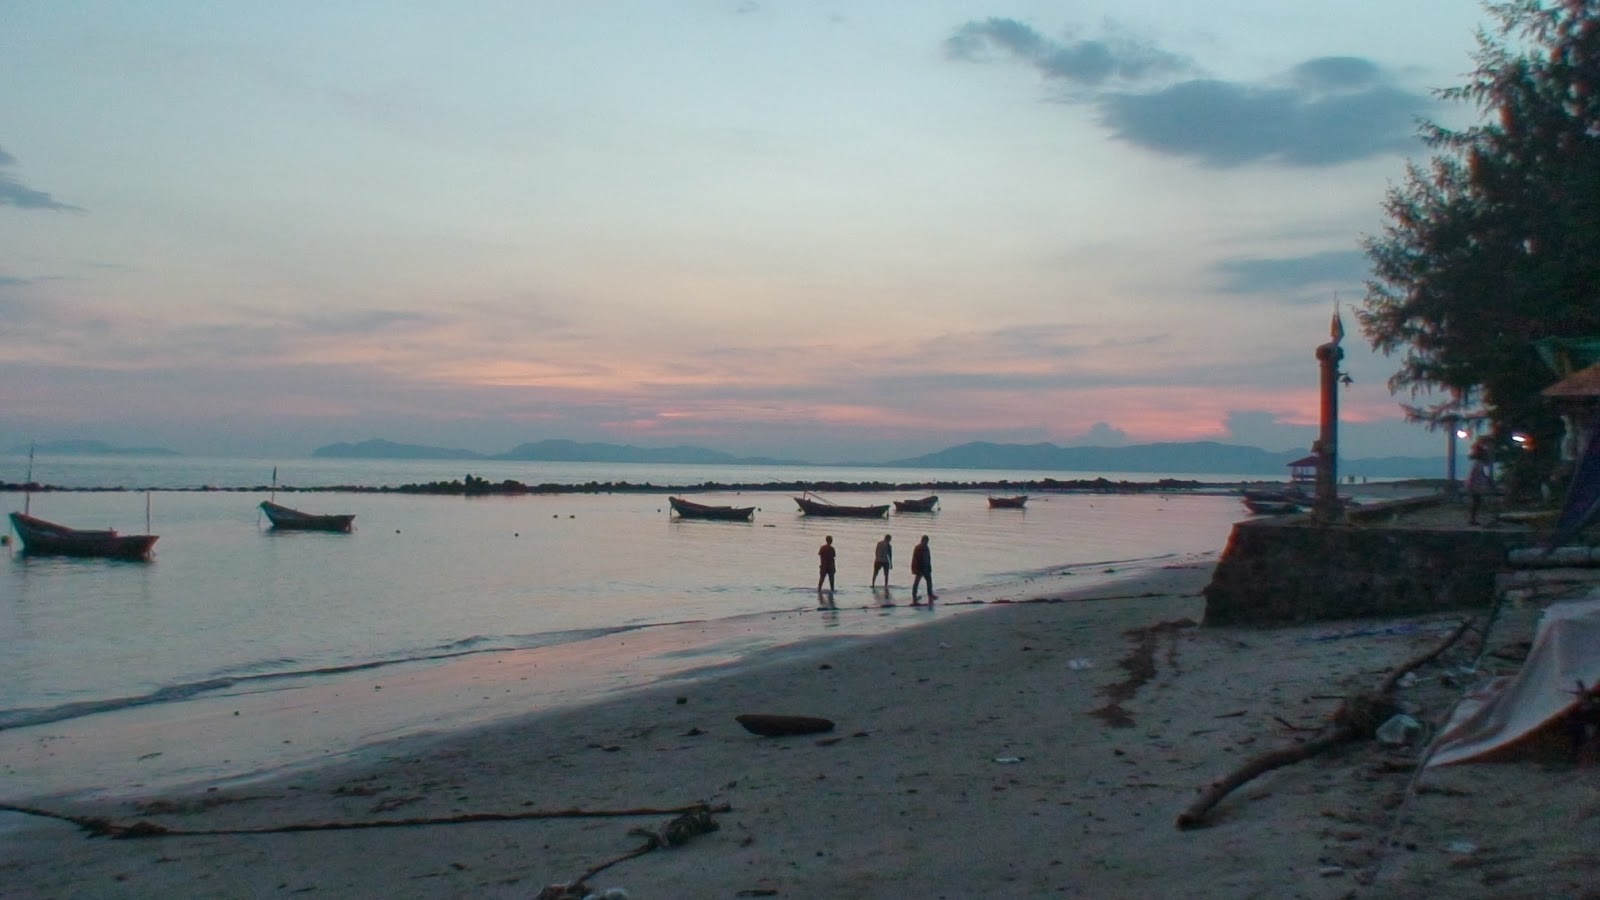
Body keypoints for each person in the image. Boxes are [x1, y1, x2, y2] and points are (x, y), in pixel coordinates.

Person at [1466, 445, 1495, 526]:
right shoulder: (1477, 463)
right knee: (1476, 502)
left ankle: (1473, 518)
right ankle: (1472, 519)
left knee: (1477, 502)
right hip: (1475, 486)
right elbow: (1474, 475)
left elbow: (1480, 474)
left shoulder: (1478, 463)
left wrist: (1487, 480)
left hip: (1475, 486)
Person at [910, 534, 936, 603]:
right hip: (921, 568)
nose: (927, 542)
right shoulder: (919, 548)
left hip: (925, 567)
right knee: (917, 582)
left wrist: (929, 567)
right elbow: (916, 559)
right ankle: (914, 595)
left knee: (928, 581)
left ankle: (929, 594)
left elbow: (928, 558)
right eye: (926, 541)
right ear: (923, 540)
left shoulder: (925, 547)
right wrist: (915, 568)